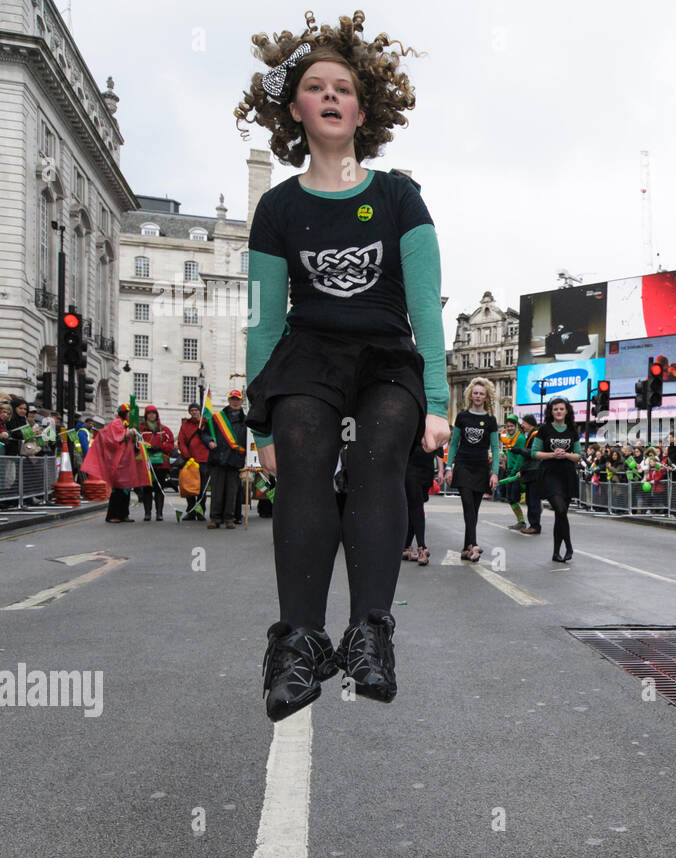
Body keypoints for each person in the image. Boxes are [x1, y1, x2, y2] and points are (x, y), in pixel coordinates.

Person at [236, 10, 449, 721]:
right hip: (309, 356)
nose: (330, 95)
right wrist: (260, 431)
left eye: (344, 87)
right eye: (314, 86)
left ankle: (369, 634)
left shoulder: (397, 197)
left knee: (382, 444)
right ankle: (298, 643)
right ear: (294, 108)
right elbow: (264, 322)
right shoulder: (277, 208)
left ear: (363, 107)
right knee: (302, 445)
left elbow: (425, 310)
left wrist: (439, 402)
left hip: (385, 353)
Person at [447, 378, 499, 562]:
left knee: (474, 510)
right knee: (468, 505)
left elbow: (495, 448)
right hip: (463, 466)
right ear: (471, 394)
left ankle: (465, 547)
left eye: (481, 393)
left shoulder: (491, 420)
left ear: (486, 397)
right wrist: (448, 467)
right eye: (475, 393)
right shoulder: (462, 417)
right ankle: (474, 544)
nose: (478, 396)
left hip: (481, 468)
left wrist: (494, 472)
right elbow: (453, 444)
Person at [532, 396, 583, 562]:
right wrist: (553, 454)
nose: (559, 411)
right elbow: (535, 453)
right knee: (560, 510)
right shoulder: (544, 429)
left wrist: (566, 454)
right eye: (555, 409)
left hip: (567, 475)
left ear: (566, 411)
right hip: (550, 474)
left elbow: (578, 456)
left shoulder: (572, 430)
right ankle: (568, 546)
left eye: (561, 409)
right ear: (551, 412)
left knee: (561, 515)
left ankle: (556, 552)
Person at [80, 404, 150, 523]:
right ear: (124, 413)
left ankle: (124, 514)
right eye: (128, 413)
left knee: (126, 489)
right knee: (118, 489)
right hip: (119, 461)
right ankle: (114, 515)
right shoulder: (117, 423)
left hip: (127, 461)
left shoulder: (128, 424)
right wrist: (127, 434)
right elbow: (114, 438)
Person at [206, 390, 248, 530]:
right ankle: (215, 518)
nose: (235, 402)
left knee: (232, 492)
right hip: (218, 458)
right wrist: (209, 441)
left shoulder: (246, 420)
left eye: (238, 399)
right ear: (229, 400)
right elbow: (205, 433)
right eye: (233, 399)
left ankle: (229, 518)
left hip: (235, 460)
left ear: (241, 401)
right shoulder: (217, 418)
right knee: (217, 491)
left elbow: (250, 441)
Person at [134, 405, 175, 522]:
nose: (151, 415)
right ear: (146, 415)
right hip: (146, 464)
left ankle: (159, 513)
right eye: (149, 413)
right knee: (147, 488)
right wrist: (145, 448)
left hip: (161, 464)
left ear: (157, 415)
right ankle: (147, 513)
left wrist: (160, 447)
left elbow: (171, 445)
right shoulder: (140, 430)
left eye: (153, 413)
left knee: (159, 489)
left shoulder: (164, 430)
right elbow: (136, 444)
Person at [177, 403, 216, 520]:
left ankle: (200, 511)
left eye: (196, 410)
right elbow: (181, 441)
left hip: (203, 460)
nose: (194, 412)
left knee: (201, 488)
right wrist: (187, 455)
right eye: (192, 410)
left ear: (200, 411)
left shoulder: (207, 423)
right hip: (190, 460)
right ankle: (191, 510)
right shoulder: (185, 425)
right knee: (189, 487)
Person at [402, 443, 439, 566]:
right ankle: (422, 547)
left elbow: (439, 447)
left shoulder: (434, 423)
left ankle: (406, 547)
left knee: (414, 508)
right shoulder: (411, 423)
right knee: (417, 507)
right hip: (411, 467)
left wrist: (442, 470)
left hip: (427, 470)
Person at [498, 413, 527, 529]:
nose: (509, 428)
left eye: (511, 426)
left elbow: (520, 457)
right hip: (510, 470)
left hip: (516, 471)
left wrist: (514, 471)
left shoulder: (520, 438)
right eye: (508, 426)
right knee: (511, 498)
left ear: (516, 426)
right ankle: (521, 521)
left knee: (513, 497)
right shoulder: (509, 439)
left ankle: (522, 521)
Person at [516, 413, 543, 535]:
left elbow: (534, 452)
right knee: (530, 499)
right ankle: (533, 523)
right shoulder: (531, 435)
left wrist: (520, 450)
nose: (522, 425)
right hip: (530, 470)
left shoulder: (536, 435)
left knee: (533, 500)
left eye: (524, 423)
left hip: (535, 471)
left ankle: (535, 525)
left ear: (529, 423)